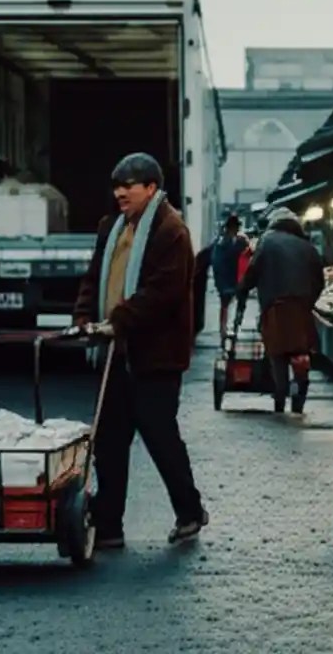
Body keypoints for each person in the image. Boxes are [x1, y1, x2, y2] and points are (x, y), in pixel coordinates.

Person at [72, 152, 208, 549]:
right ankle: (109, 524)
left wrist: (120, 319)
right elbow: (94, 277)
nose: (119, 193)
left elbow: (162, 293)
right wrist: (84, 316)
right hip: (115, 351)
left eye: (128, 185)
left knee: (159, 436)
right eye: (116, 186)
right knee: (110, 441)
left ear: (151, 188)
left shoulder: (171, 231)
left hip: (156, 355)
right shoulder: (110, 227)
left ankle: (189, 511)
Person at [237, 207, 325, 415]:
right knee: (300, 355)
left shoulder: (267, 242)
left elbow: (252, 272)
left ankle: (280, 399)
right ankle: (299, 396)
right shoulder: (307, 247)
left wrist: (241, 290)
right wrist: (308, 301)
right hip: (302, 309)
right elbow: (320, 281)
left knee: (278, 356)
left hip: (276, 309)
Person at [210, 214, 248, 342]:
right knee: (225, 304)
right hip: (227, 279)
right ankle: (223, 329)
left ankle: (235, 326)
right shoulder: (222, 243)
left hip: (239, 278)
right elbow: (217, 263)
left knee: (240, 304)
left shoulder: (242, 242)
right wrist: (220, 282)